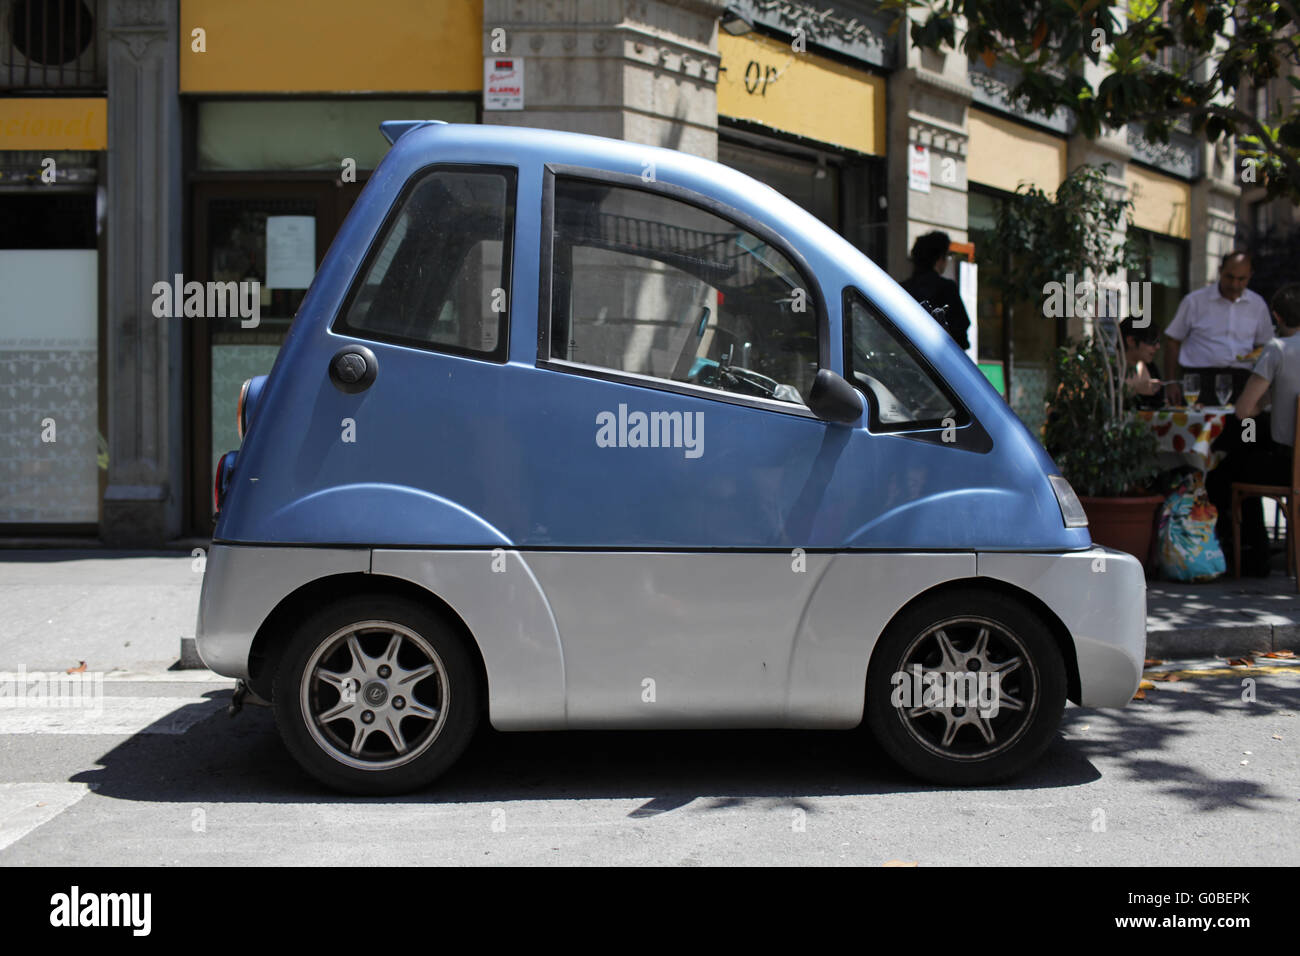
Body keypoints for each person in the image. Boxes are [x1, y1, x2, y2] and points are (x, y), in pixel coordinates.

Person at [1205, 283, 1300, 576]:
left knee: (1229, 470)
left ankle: (1249, 556)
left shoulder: (1278, 349)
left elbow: (1244, 411)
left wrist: (1261, 406)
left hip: (1287, 463)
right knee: (1248, 456)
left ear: (1276, 316)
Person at [1163, 251, 1273, 404]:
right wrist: (1171, 382)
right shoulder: (1195, 301)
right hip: (1200, 379)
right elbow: (1173, 341)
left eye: (1241, 279)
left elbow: (1265, 346)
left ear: (1250, 275)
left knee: (1242, 427)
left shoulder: (1257, 304)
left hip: (1242, 380)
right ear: (1220, 271)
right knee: (1201, 427)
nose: (1234, 285)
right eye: (1230, 277)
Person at [900, 231, 971, 350]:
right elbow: (961, 332)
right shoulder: (947, 288)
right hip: (939, 360)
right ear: (939, 258)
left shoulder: (902, 289)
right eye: (947, 256)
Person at [1120, 317, 1163, 409]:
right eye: (1152, 341)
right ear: (1131, 341)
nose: (1157, 346)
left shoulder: (1151, 368)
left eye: (1158, 341)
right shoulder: (1112, 370)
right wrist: (1135, 390)